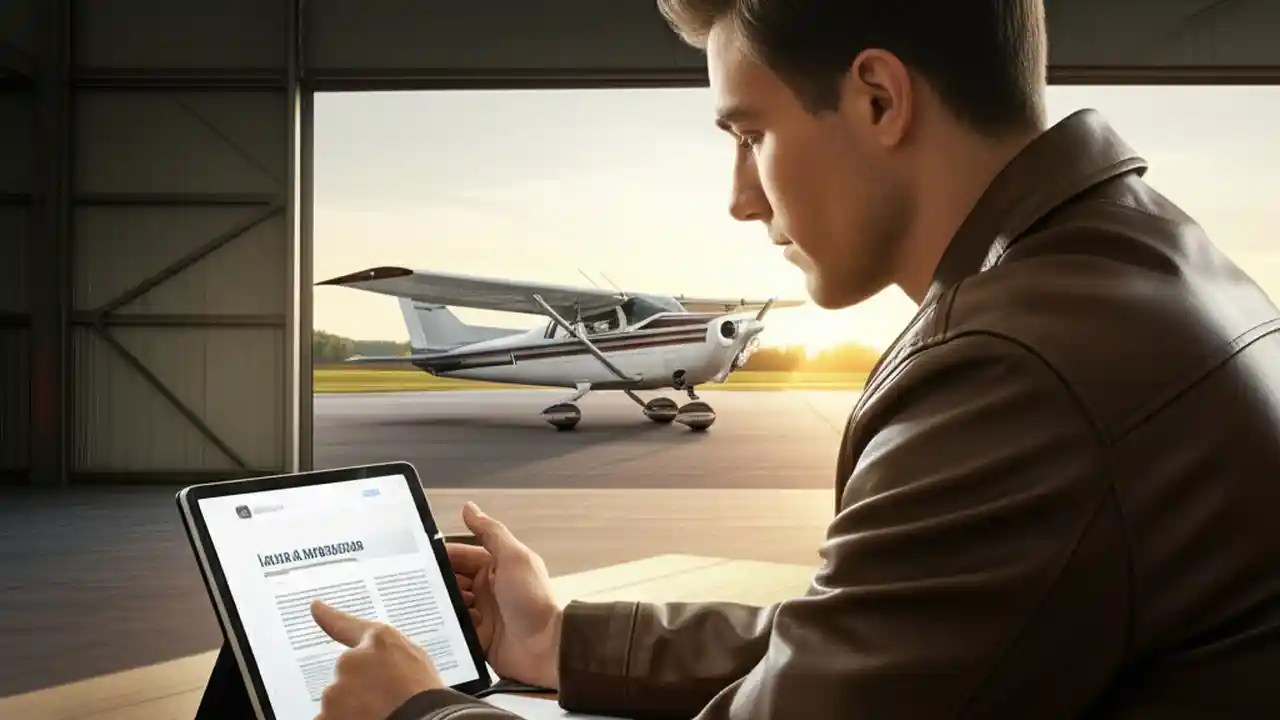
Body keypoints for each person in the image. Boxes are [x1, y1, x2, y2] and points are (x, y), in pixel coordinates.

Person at [308, 0, 1280, 717]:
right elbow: (889, 635)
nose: (740, 198)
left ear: (874, 98)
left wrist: (418, 714)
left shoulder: (1010, 369)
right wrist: (559, 638)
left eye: (749, 133)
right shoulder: (1138, 260)